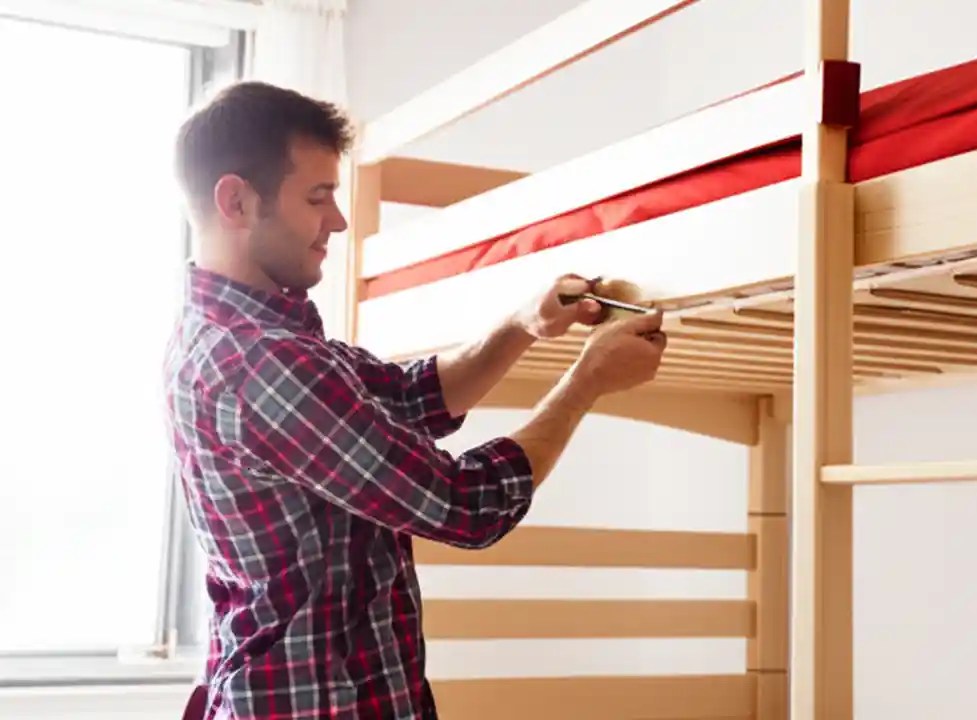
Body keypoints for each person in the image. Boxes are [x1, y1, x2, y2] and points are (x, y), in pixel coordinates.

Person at [163, 80, 667, 719]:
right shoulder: (260, 364)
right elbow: (466, 505)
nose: (338, 221)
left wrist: (520, 327)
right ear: (235, 200)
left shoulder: (247, 340)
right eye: (318, 197)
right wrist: (585, 381)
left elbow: (408, 398)